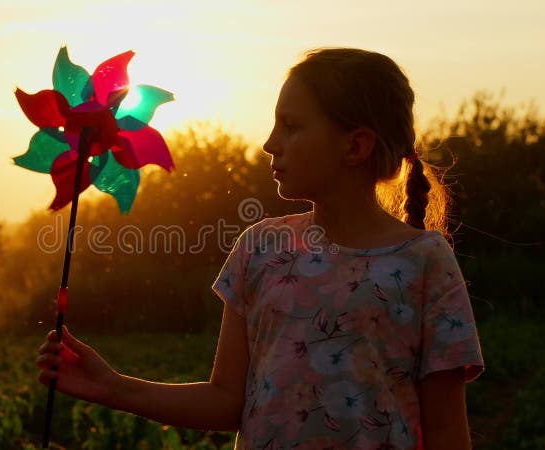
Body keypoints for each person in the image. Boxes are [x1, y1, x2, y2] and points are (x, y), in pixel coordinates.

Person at [37, 47, 484, 449]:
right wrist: (112, 387)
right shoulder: (262, 248)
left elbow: (445, 430)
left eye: (290, 126)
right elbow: (225, 401)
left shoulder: (424, 261)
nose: (270, 143)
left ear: (355, 145)